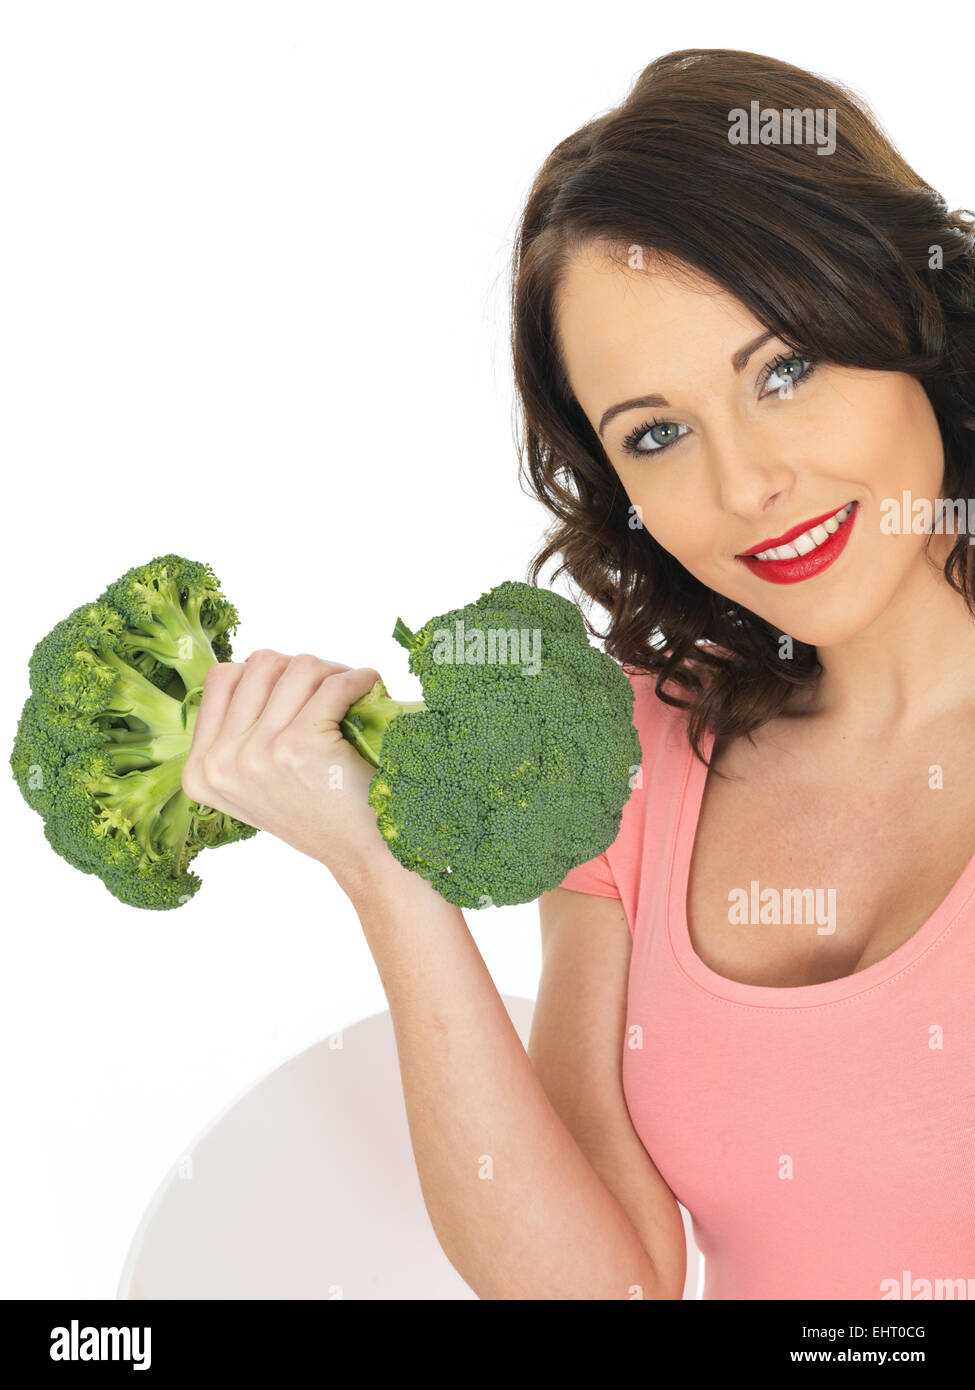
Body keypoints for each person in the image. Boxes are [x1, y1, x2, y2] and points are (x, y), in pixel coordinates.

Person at [181, 48, 975, 1299]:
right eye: (657, 434)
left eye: (784, 368)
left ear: (909, 316)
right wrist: (388, 877)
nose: (746, 485)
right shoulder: (642, 753)